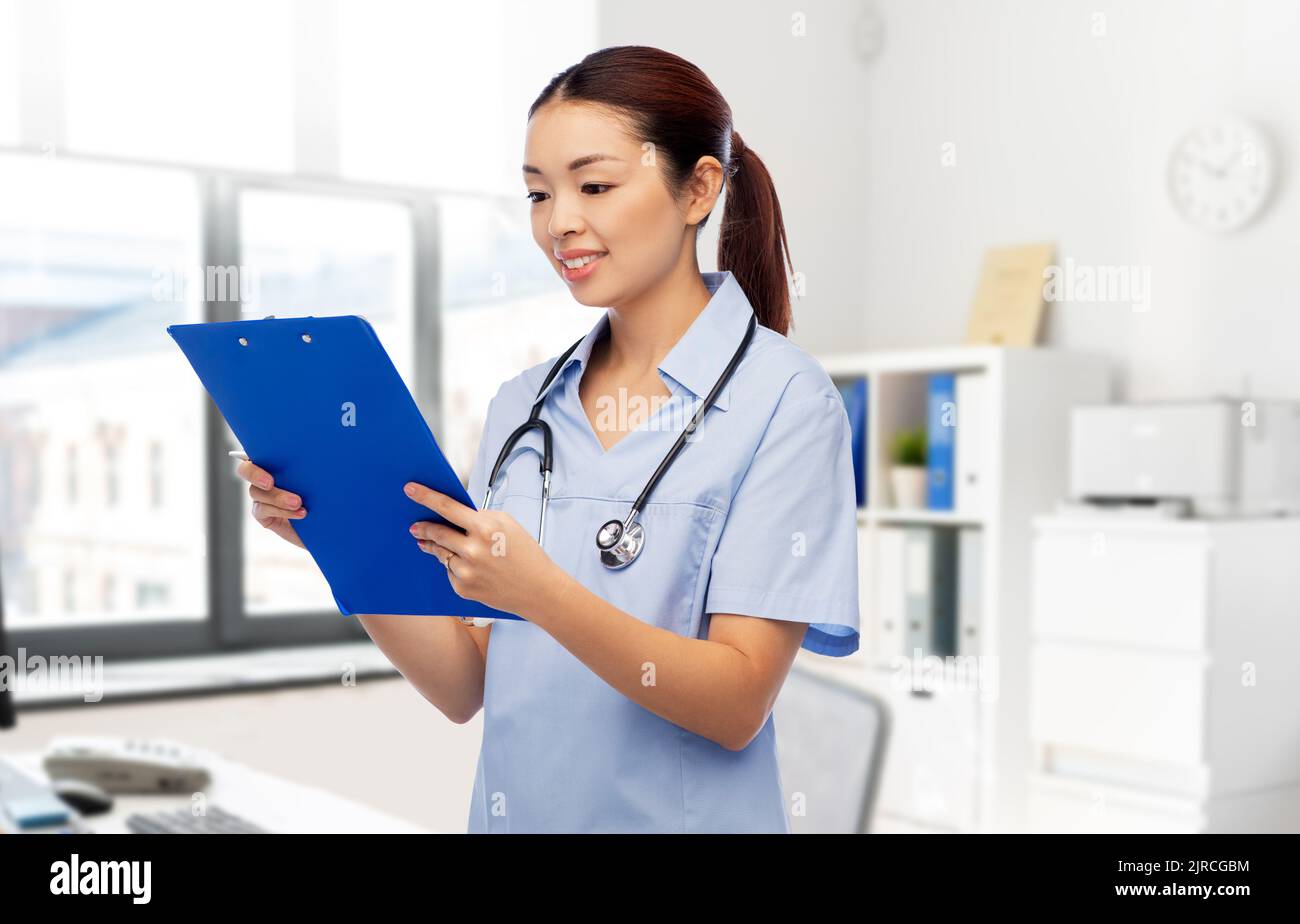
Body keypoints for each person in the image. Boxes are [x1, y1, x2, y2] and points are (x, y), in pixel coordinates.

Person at [236, 45, 860, 833]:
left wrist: (541, 592)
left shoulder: (786, 404)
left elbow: (738, 702)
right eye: (538, 193)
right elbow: (467, 686)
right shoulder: (521, 406)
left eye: (594, 185)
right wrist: (337, 536)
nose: (560, 222)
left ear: (698, 188)